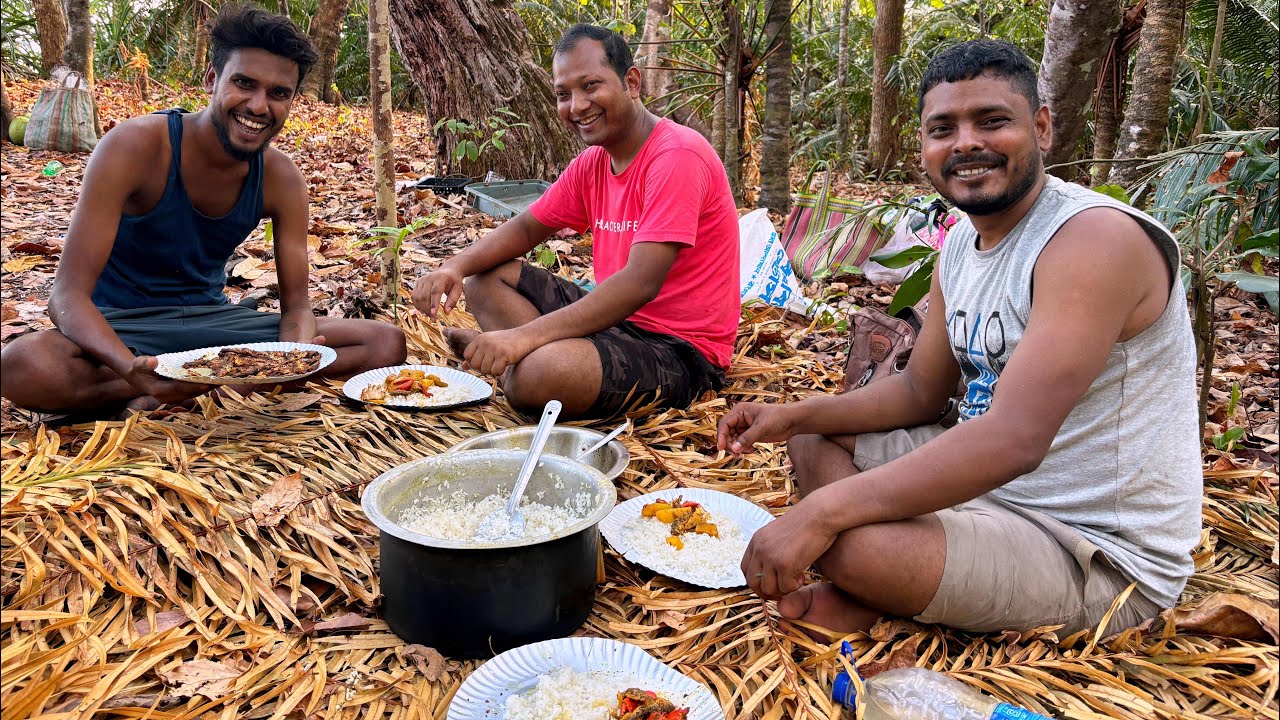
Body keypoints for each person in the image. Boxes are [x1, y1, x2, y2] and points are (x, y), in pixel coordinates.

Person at [717, 40, 1201, 638]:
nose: (966, 143)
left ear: (1042, 128)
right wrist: (793, 415)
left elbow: (1014, 440)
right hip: (985, 486)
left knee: (848, 546)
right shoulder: (959, 250)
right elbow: (921, 390)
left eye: (992, 121)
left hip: (1090, 550)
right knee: (814, 439)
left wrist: (820, 513)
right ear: (924, 147)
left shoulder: (1093, 240)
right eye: (943, 128)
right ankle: (901, 581)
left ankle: (879, 580)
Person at [0, 4, 406, 416]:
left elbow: (297, 307)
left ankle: (190, 388)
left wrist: (293, 357)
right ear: (212, 79)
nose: (259, 106)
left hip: (212, 326)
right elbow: (66, 298)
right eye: (244, 83)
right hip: (122, 326)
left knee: (382, 343)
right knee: (24, 366)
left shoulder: (281, 178)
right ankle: (170, 386)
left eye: (279, 93)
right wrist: (128, 368)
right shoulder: (134, 147)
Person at [411, 24, 739, 420]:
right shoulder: (594, 162)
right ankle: (523, 357)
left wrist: (521, 337)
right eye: (563, 94)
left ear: (631, 82)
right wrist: (455, 266)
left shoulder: (677, 156)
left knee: (538, 376)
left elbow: (640, 283)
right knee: (484, 278)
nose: (577, 105)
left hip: (678, 350)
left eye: (591, 86)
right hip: (612, 323)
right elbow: (527, 228)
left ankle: (521, 361)